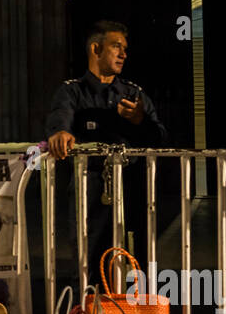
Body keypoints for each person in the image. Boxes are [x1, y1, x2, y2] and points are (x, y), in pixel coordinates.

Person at [45, 20, 168, 285]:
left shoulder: (133, 94)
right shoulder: (72, 91)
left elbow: (159, 136)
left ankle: (135, 309)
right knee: (88, 262)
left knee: (136, 260)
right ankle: (90, 308)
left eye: (125, 48)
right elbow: (60, 117)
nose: (123, 54)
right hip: (90, 189)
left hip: (132, 188)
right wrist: (60, 132)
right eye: (116, 47)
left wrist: (140, 120)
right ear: (96, 49)